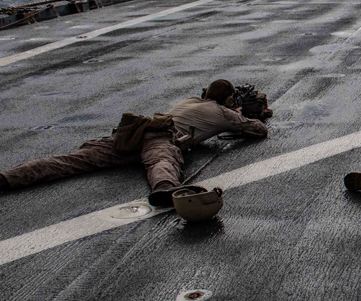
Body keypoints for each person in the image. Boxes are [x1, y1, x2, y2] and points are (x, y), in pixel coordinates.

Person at [0, 79, 268, 206]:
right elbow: (257, 130)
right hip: (160, 137)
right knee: (163, 161)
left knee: (72, 161)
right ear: (228, 100)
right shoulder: (223, 112)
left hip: (133, 133)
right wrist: (241, 114)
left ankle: (9, 177)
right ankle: (165, 189)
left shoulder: (189, 100)